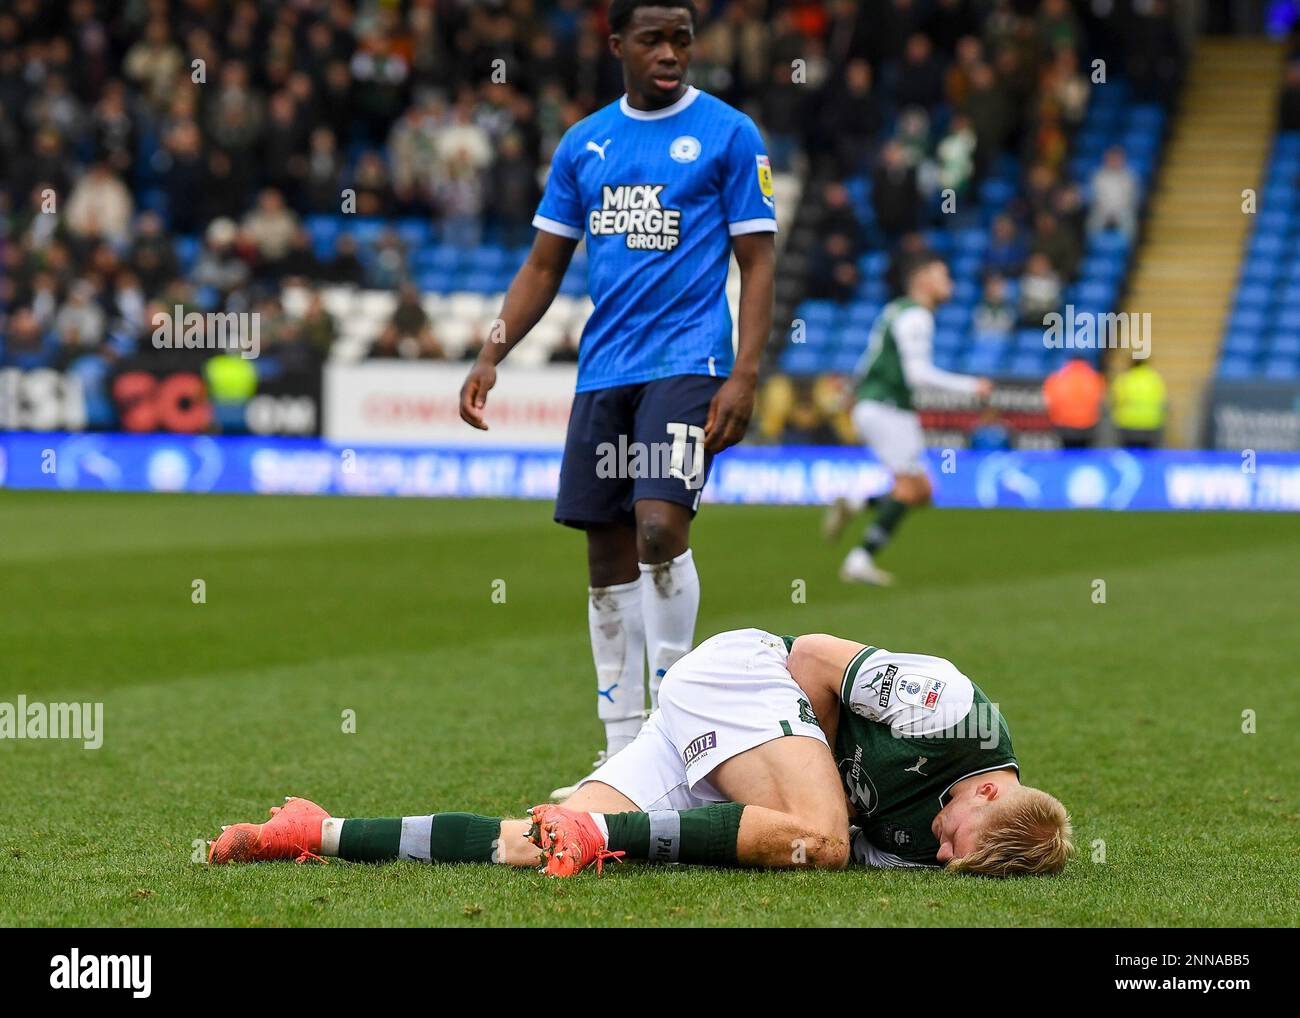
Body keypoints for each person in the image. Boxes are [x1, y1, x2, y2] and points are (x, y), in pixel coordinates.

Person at [457, 0, 776, 796]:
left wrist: (743, 374)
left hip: (689, 361)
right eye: (653, 40)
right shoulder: (584, 142)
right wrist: (493, 349)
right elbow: (542, 266)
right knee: (605, 558)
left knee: (660, 528)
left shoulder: (732, 134)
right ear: (618, 46)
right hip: (605, 369)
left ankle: (677, 739)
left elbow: (759, 262)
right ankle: (620, 748)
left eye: (682, 39)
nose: (670, 52)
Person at [207, 629, 1072, 877]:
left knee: (533, 840)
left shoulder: (972, 851)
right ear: (989, 791)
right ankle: (619, 837)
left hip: (737, 754)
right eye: (954, 835)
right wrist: (798, 752)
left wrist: (775, 778)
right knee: (825, 835)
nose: (937, 848)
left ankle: (311, 832)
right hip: (748, 681)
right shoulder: (946, 708)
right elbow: (812, 654)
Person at [824, 251, 993, 585]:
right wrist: (972, 386)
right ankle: (858, 561)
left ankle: (856, 504)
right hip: (887, 408)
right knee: (908, 487)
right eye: (943, 275)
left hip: (884, 407)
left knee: (923, 490)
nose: (950, 284)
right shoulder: (916, 317)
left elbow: (870, 356)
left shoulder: (895, 310)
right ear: (922, 279)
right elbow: (918, 375)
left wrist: (851, 393)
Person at [1042, 355, 1106, 449]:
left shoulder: (1056, 378)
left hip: (1063, 425)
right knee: (1084, 454)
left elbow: (1049, 402)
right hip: (1088, 425)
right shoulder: (1096, 378)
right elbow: (1100, 401)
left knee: (1067, 454)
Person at [1110, 358, 1166, 448]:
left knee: (1128, 455)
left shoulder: (1124, 379)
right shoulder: (1154, 379)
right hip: (1151, 424)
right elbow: (1162, 401)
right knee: (1148, 456)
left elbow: (1115, 400)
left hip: (1127, 425)